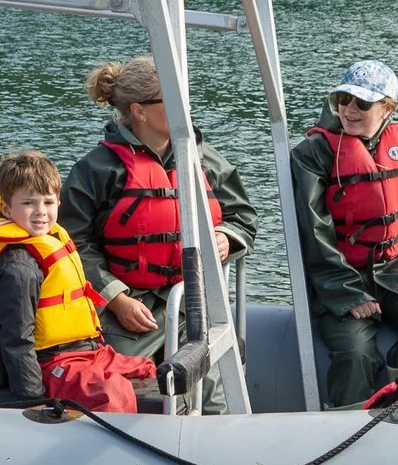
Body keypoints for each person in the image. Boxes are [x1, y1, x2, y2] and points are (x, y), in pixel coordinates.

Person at [61, 56, 256, 407]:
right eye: (172, 100)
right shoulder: (97, 169)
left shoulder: (204, 159)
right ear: (139, 111)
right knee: (116, 394)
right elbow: (72, 242)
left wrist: (227, 237)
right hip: (128, 311)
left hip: (194, 305)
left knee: (214, 401)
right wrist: (116, 299)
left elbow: (242, 216)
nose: (185, 108)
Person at [290, 60, 398, 407]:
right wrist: (347, 294)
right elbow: (313, 234)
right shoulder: (311, 154)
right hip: (339, 281)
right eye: (343, 99)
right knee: (355, 351)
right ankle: (350, 423)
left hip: (397, 272)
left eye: (362, 103)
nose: (349, 110)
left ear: (388, 108)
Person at [0, 151, 156, 413]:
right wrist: (33, 401)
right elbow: (17, 338)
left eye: (48, 202)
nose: (40, 212)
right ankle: (118, 439)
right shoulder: (19, 268)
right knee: (111, 392)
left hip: (89, 352)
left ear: (58, 203)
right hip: (53, 363)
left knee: (149, 369)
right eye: (28, 203)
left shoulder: (53, 238)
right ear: (7, 209)